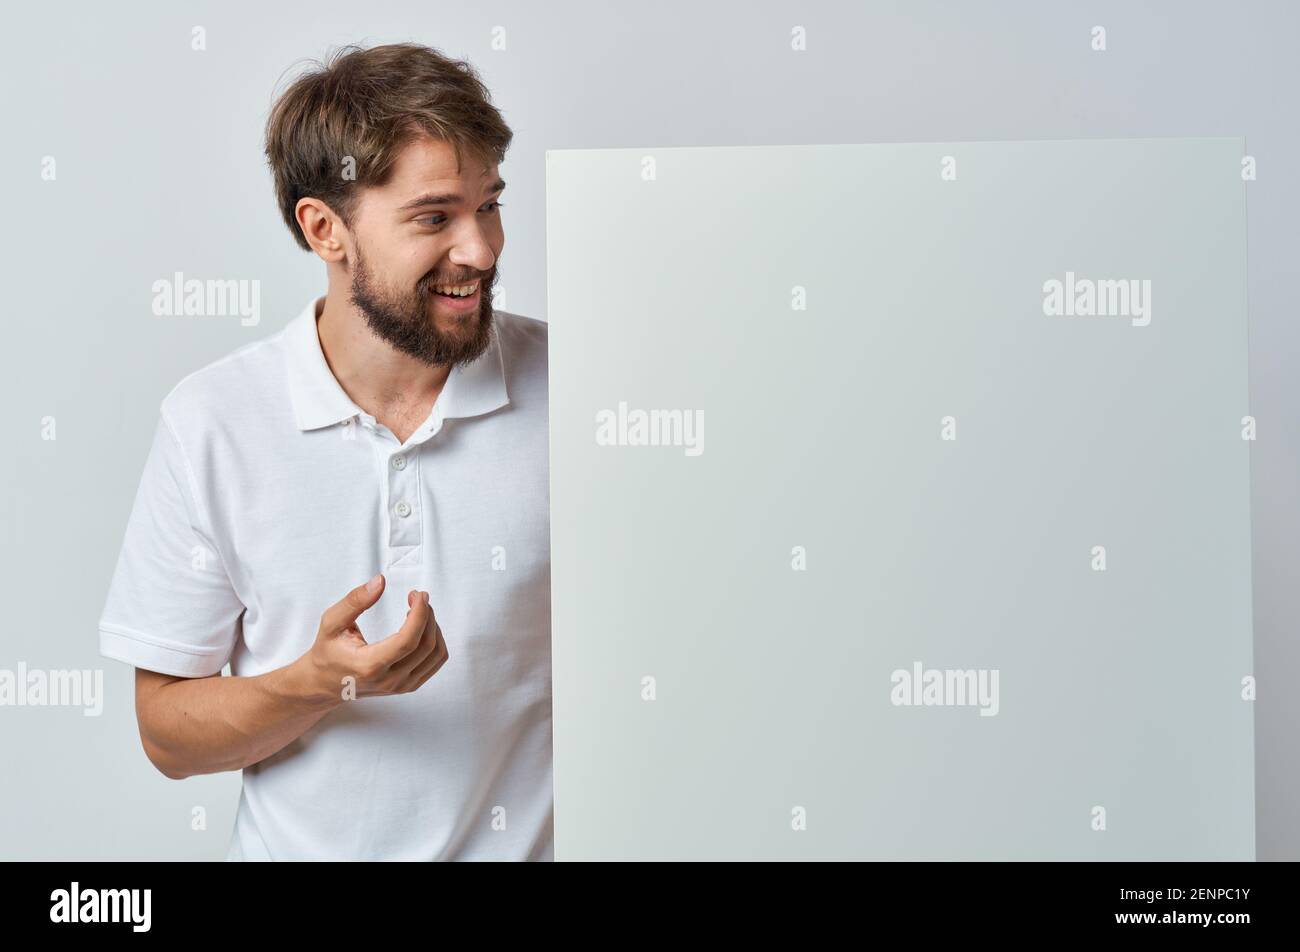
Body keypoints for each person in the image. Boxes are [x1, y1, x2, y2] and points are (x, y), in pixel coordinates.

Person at [97, 42, 552, 861]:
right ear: (325, 229)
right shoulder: (214, 422)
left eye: (489, 204)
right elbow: (168, 735)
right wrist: (316, 681)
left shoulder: (578, 391)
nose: (481, 249)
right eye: (434, 216)